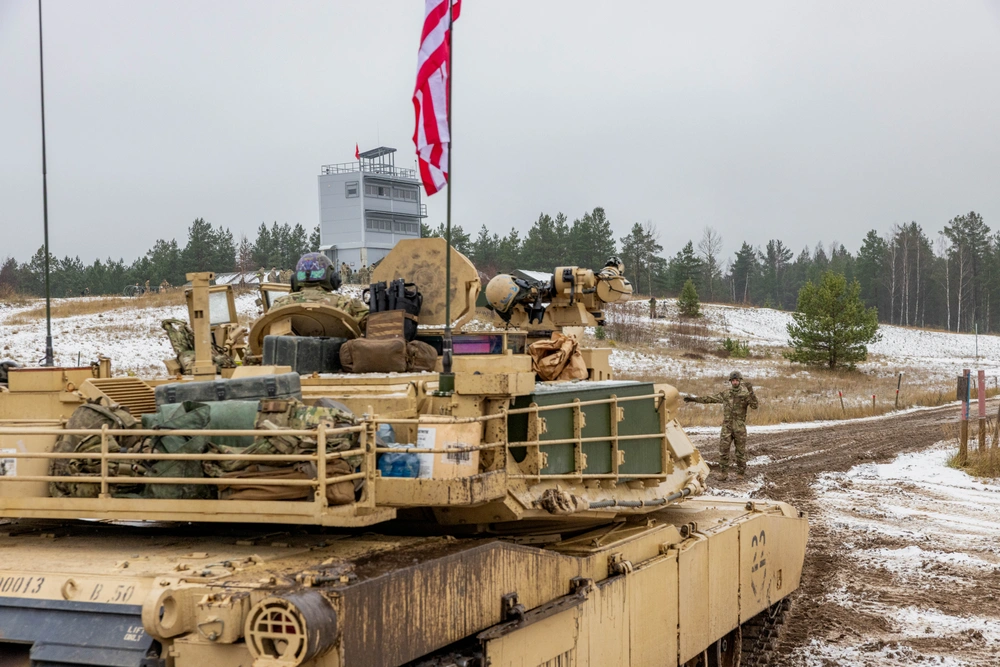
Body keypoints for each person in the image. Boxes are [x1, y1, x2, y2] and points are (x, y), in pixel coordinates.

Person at [683, 371, 758, 480]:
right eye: (733, 380)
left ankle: (740, 474)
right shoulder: (726, 394)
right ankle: (723, 474)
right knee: (723, 451)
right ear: (731, 381)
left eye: (737, 380)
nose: (735, 382)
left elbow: (754, 406)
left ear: (740, 381)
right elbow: (710, 399)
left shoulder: (745, 395)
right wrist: (695, 399)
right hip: (727, 427)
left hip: (739, 428)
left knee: (740, 452)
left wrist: (751, 391)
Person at [271, 253, 368, 328]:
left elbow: (261, 333)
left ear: (295, 279)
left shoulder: (280, 305)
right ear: (332, 278)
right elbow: (372, 327)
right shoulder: (346, 305)